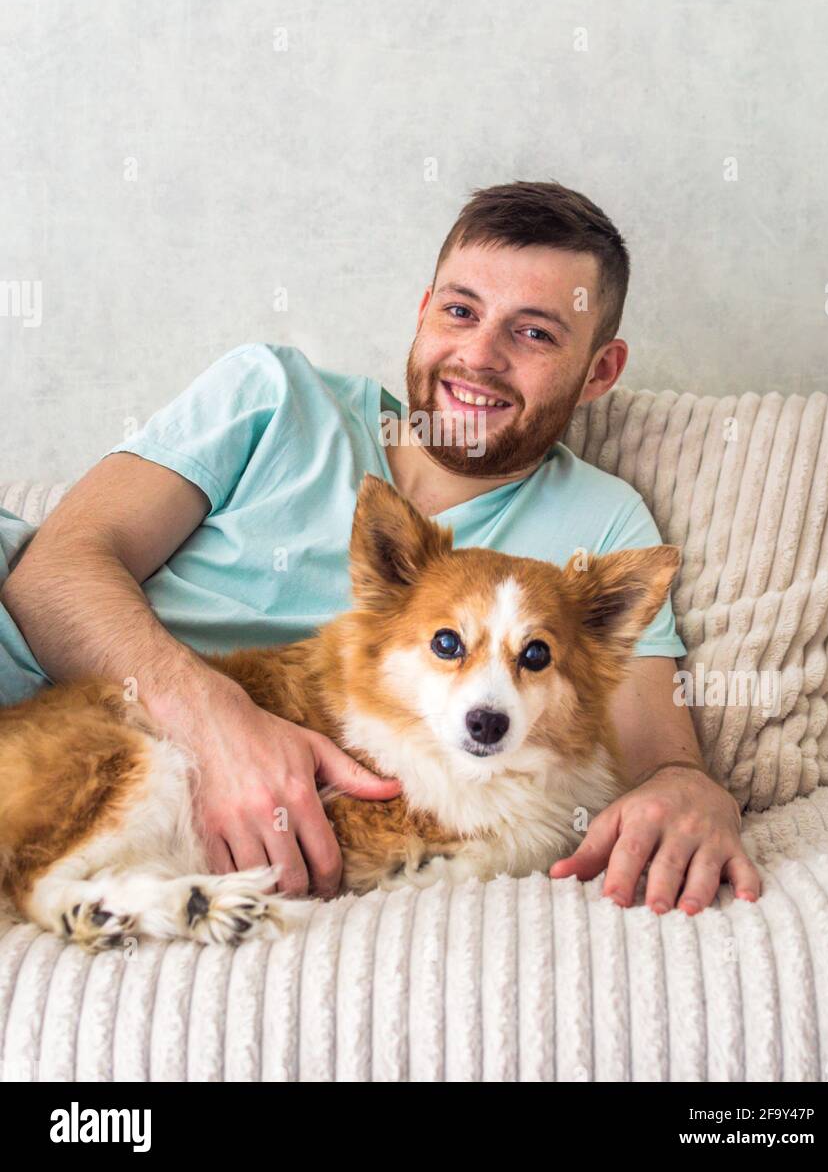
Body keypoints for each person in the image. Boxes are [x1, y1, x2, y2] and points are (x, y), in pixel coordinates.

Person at [0, 180, 761, 916]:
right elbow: (50, 579)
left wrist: (691, 790)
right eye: (461, 311)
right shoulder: (274, 394)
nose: (481, 355)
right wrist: (218, 727)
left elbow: (656, 754)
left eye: (533, 332)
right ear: (424, 312)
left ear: (601, 372)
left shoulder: (602, 525)